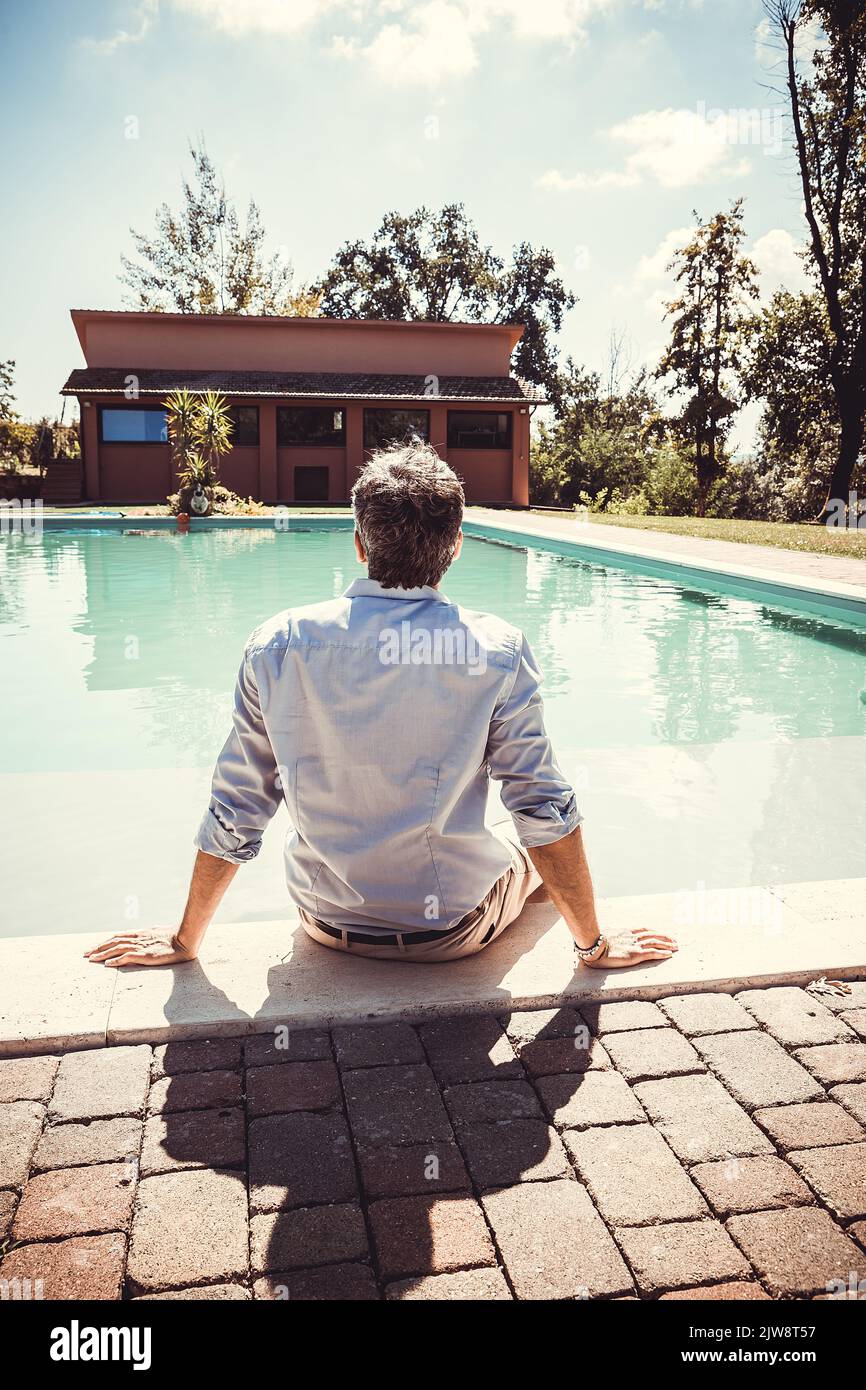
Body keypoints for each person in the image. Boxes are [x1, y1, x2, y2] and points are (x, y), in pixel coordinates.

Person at [86, 444, 677, 971]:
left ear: (359, 542)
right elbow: (540, 803)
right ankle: (580, 931)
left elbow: (238, 802)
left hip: (323, 921)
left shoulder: (278, 642)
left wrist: (185, 939)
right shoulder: (495, 648)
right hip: (449, 932)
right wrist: (595, 947)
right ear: (459, 544)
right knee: (529, 856)